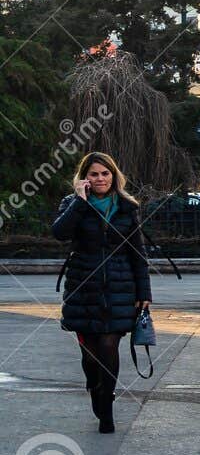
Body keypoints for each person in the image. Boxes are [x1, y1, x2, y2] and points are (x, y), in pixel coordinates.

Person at [52, 153, 151, 434]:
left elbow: (138, 253)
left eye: (105, 174)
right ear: (85, 177)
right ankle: (96, 389)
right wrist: (80, 203)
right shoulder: (72, 205)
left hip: (120, 288)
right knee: (90, 356)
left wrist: (144, 292)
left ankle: (106, 407)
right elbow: (60, 233)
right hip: (84, 289)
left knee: (109, 346)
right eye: (94, 174)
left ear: (113, 176)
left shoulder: (126, 207)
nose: (100, 179)